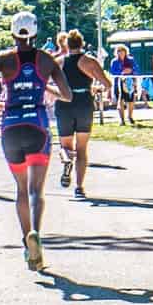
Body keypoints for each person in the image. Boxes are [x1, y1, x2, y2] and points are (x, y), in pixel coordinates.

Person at [0, 11, 68, 270]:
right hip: (37, 125)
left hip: (11, 125)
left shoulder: (2, 58)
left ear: (12, 32)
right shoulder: (46, 59)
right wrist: (45, 88)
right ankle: (35, 235)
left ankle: (26, 241)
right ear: (36, 32)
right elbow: (67, 94)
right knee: (36, 190)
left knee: (20, 189)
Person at [53, 28, 107, 196]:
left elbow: (46, 81)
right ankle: (79, 187)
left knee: (65, 146)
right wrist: (96, 88)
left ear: (66, 45)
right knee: (82, 148)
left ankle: (67, 160)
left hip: (64, 103)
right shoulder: (89, 61)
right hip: (84, 103)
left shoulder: (59, 62)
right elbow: (107, 83)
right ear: (82, 44)